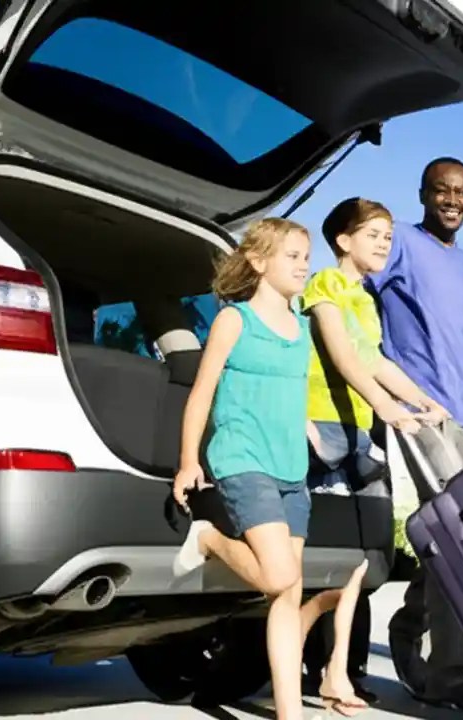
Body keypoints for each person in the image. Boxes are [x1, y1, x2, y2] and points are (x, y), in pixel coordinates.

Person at [170, 217, 369, 719]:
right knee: (279, 577)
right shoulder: (234, 321)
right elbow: (202, 392)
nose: (304, 265)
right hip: (242, 458)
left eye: (306, 256)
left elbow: (298, 384)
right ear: (258, 262)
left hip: (290, 468)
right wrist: (189, 459)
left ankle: (288, 712)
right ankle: (207, 539)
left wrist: (304, 421)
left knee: (288, 593)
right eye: (292, 256)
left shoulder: (302, 326)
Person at [299, 197, 451, 703]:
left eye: (388, 235)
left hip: (356, 431)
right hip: (322, 427)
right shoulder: (325, 284)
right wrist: (388, 409)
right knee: (320, 556)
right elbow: (341, 355)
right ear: (343, 240)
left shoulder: (366, 298)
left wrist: (426, 401)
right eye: (373, 234)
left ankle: (344, 669)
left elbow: (376, 360)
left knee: (362, 559)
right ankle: (310, 665)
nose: (384, 243)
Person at [367, 157, 463, 710]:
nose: (454, 200)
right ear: (423, 193)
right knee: (461, 532)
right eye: (443, 190)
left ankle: (408, 630)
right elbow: (353, 284)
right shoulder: (399, 239)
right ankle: (450, 674)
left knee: (453, 537)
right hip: (418, 409)